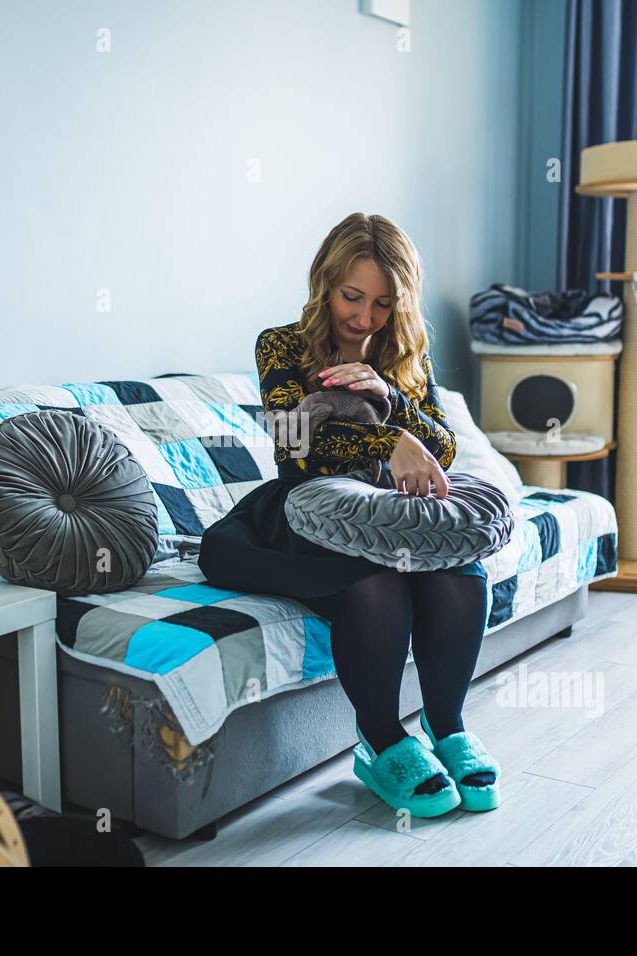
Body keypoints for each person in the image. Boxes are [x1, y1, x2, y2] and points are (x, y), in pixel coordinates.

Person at [198, 212, 499, 813]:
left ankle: (449, 726)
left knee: (461, 575)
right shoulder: (280, 344)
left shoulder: (406, 352)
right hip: (303, 513)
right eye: (351, 297)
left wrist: (391, 403)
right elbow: (295, 444)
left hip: (391, 511)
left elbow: (441, 446)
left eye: (384, 304)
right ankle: (381, 739)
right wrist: (387, 443)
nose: (364, 318)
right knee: (375, 584)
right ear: (324, 284)